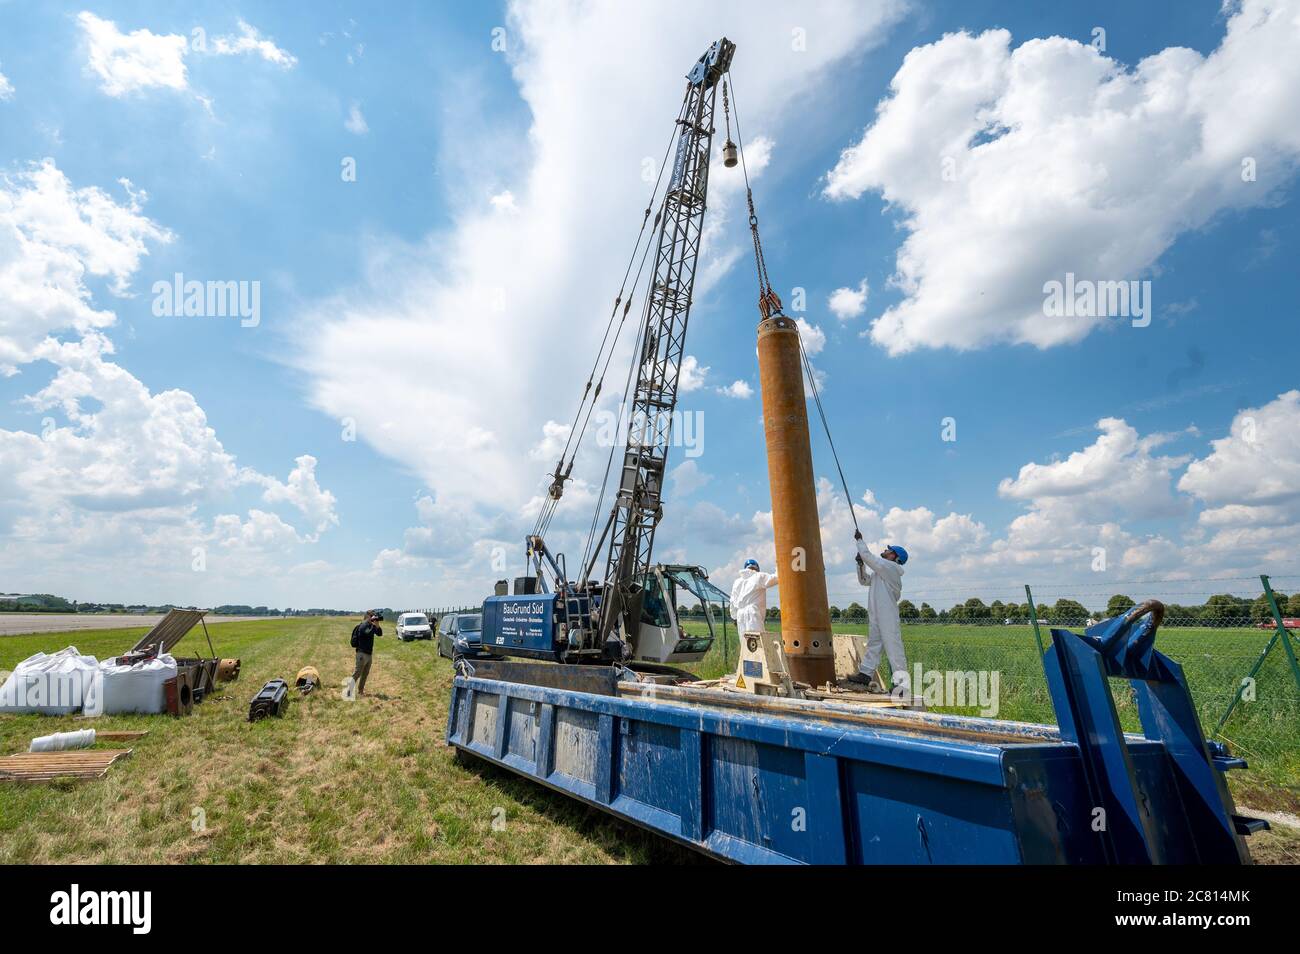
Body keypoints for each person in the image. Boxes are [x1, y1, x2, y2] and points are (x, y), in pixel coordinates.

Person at [845, 530, 909, 694]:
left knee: (893, 647)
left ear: (894, 556)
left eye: (889, 550)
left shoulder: (891, 568)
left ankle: (902, 684)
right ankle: (865, 674)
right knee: (875, 643)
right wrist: (860, 565)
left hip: (887, 613)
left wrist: (860, 541)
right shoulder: (882, 571)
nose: (886, 550)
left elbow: (869, 557)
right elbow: (864, 580)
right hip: (878, 612)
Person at [730, 559, 778, 635]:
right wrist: (779, 564)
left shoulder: (737, 582)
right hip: (752, 614)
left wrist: (734, 617)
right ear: (757, 568)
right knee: (757, 642)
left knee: (745, 643)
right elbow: (776, 578)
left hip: (740, 615)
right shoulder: (759, 576)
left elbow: (732, 601)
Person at [349, 610, 383, 697]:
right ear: (367, 616)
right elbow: (368, 632)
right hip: (361, 654)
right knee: (357, 673)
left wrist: (377, 624)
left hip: (369, 654)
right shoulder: (363, 625)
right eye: (372, 616)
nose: (373, 617)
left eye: (374, 616)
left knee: (365, 674)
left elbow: (379, 634)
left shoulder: (371, 625)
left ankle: (360, 691)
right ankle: (348, 691)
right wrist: (373, 625)